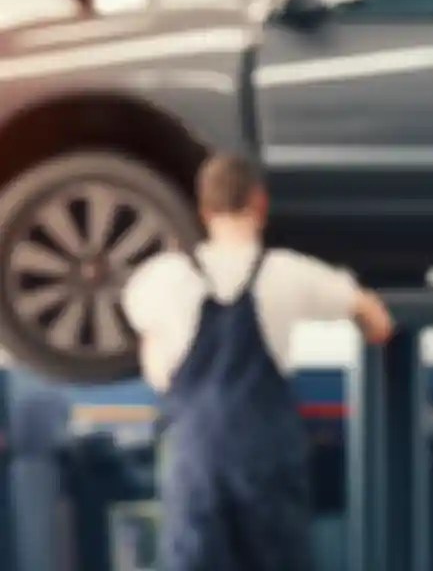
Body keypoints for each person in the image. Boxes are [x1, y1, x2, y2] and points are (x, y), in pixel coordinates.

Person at [121, 152, 394, 571]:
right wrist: (372, 325)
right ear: (260, 203)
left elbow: (154, 367)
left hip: (194, 458)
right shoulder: (286, 273)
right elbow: (376, 320)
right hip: (264, 458)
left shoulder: (161, 278)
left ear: (203, 209)